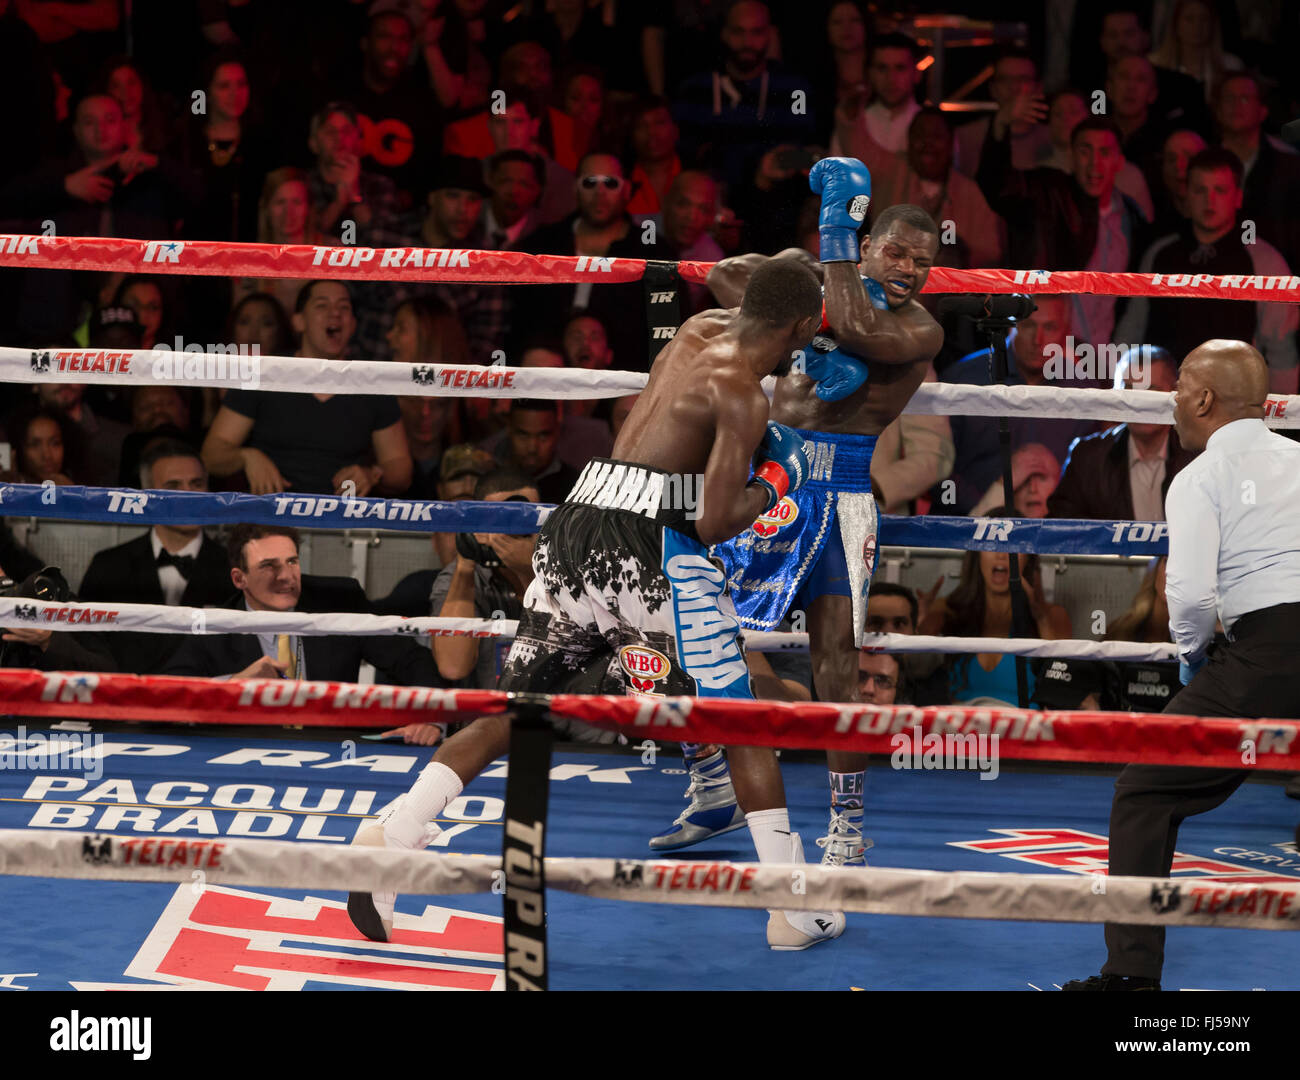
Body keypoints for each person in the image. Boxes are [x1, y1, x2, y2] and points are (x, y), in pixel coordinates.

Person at [345, 258, 844, 952]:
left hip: (576, 527)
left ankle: (394, 832)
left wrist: (801, 275)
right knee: (740, 714)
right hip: (649, 553)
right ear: (800, 326)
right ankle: (790, 905)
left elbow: (739, 276)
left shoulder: (700, 327)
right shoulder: (742, 393)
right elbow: (716, 520)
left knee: (518, 710)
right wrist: (783, 470)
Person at [671, 186, 944, 869]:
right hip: (771, 475)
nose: (909, 269)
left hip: (844, 494)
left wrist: (834, 254)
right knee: (688, 632)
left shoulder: (920, 330)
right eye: (897, 252)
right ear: (871, 245)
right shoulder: (823, 278)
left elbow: (861, 334)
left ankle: (846, 825)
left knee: (835, 665)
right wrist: (808, 276)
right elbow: (724, 277)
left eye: (924, 260)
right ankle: (713, 784)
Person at [1062, 339, 1300, 991]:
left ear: (1202, 398)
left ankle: (1130, 978)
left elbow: (1190, 596)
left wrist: (1196, 662)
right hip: (1274, 645)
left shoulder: (1199, 477)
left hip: (1266, 650)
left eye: (1179, 389)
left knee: (1142, 792)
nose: (1169, 403)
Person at [162, 524, 446, 688]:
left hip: (335, 751)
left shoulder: (339, 600)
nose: (286, 577)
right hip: (247, 752)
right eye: (269, 566)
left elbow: (410, 660)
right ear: (240, 578)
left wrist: (429, 719)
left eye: (292, 562)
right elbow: (168, 691)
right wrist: (236, 683)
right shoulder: (215, 625)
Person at [202, 280, 412, 496]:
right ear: (299, 321)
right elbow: (212, 455)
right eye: (322, 306)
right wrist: (247, 457)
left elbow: (400, 469)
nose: (335, 314)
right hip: (273, 519)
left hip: (344, 521)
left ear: (353, 324)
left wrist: (372, 473)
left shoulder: (372, 381)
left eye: (344, 307)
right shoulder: (263, 373)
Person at [1115, 148, 1299, 392]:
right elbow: (1130, 333)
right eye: (1200, 190)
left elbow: (1282, 353)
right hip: (1162, 403)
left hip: (1233, 406)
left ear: (1238, 197)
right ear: (1186, 195)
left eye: (1219, 190)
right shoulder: (1160, 254)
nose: (1208, 200)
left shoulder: (1265, 262)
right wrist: (1115, 400)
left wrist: (1277, 421)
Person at [79, 441, 231, 674]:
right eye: (174, 486)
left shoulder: (235, 568)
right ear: (146, 495)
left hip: (208, 703)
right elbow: (86, 650)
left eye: (197, 484)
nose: (188, 496)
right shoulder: (108, 566)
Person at [919, 533, 1072, 709]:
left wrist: (1041, 618)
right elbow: (914, 667)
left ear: (1028, 560)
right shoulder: (949, 609)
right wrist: (919, 621)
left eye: (1012, 546)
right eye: (992, 544)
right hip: (964, 731)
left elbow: (1062, 683)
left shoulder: (1053, 615)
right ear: (977, 554)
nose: (1001, 554)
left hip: (1023, 730)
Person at [1048, 348, 1197, 521]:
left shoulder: (1199, 453)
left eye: (1151, 390)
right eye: (1129, 390)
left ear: (1175, 393)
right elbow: (1063, 529)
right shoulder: (1088, 458)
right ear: (1115, 394)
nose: (1139, 402)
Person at [428, 468, 540, 690]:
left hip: (554, 713)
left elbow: (564, 654)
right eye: (505, 520)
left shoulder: (565, 574)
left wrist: (529, 573)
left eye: (528, 519)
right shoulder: (462, 577)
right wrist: (465, 563)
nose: (517, 530)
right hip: (486, 715)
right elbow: (453, 667)